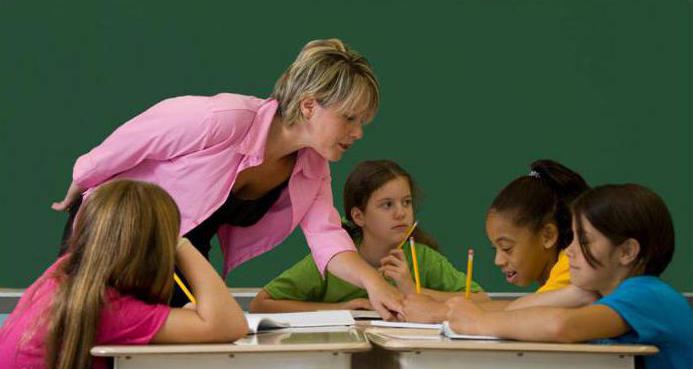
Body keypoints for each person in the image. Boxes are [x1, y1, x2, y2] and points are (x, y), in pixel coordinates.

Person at [50, 39, 402, 317]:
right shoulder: (223, 118)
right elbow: (133, 139)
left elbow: (327, 239)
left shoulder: (312, 169)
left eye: (362, 123)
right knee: (99, 340)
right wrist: (82, 180)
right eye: (350, 118)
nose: (357, 133)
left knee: (182, 349)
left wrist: (374, 283)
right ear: (310, 106)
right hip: (118, 232)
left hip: (181, 252)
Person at [0, 180, 248, 369]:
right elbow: (229, 325)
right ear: (160, 248)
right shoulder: (110, 309)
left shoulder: (63, 275)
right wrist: (182, 244)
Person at [446, 184, 693, 369]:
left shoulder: (647, 293)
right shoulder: (607, 297)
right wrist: (575, 293)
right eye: (572, 238)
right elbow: (516, 310)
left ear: (627, 252)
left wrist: (477, 322)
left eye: (583, 240)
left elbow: (561, 326)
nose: (570, 250)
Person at [250, 160, 486, 317]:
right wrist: (339, 309)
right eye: (386, 205)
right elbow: (261, 304)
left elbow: (480, 300)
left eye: (407, 202)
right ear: (358, 216)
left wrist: (412, 290)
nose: (401, 213)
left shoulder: (422, 258)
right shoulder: (335, 260)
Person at [482, 160, 594, 311]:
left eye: (506, 248)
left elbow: (524, 313)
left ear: (547, 236)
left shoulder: (572, 266)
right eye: (495, 248)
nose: (498, 261)